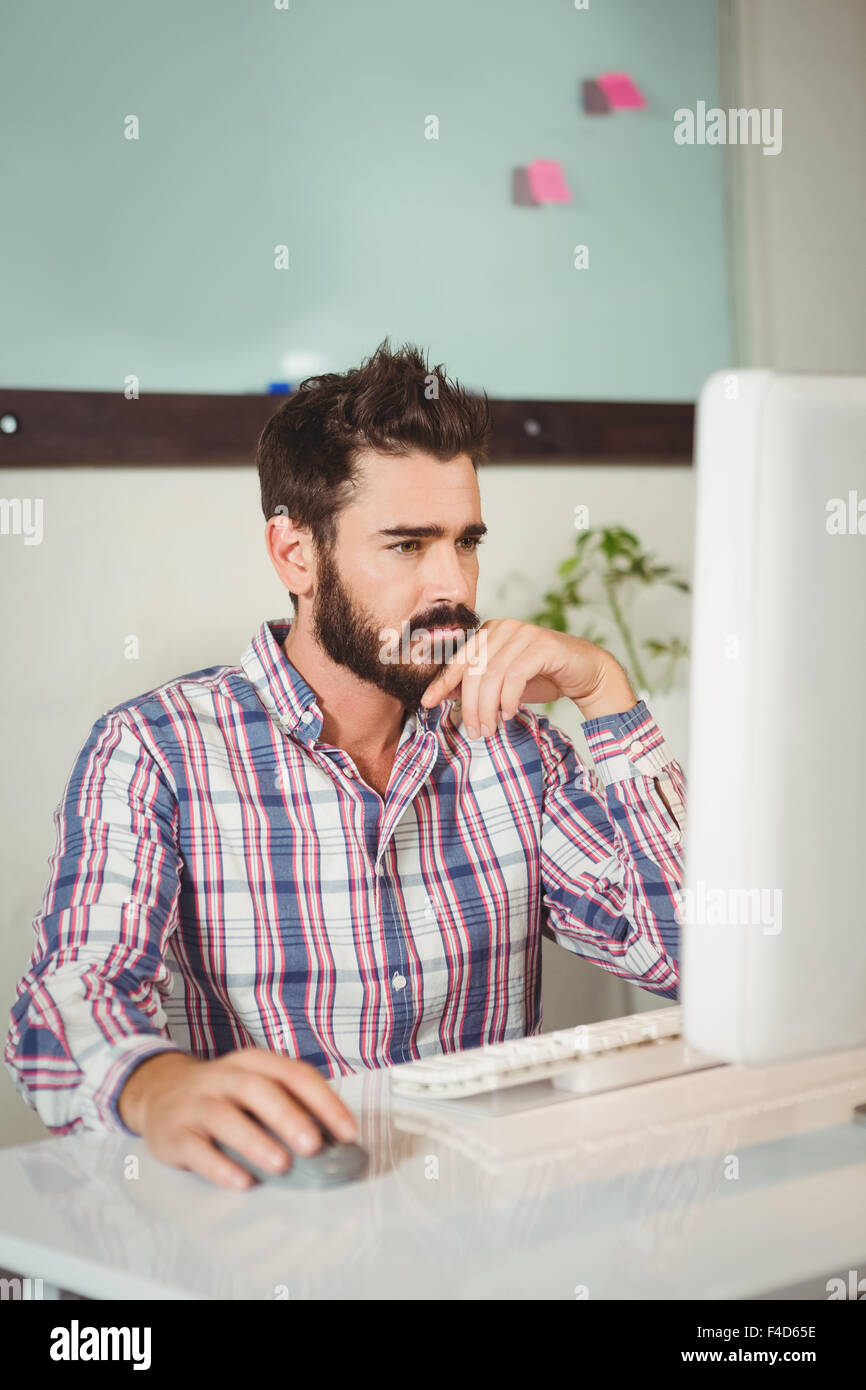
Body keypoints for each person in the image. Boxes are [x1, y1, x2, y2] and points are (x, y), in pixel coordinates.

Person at [5, 340, 685, 1190]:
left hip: (490, 1249)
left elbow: (690, 955)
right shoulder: (157, 750)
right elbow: (66, 1000)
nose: (453, 586)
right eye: (407, 545)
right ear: (296, 554)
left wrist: (607, 694)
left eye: (465, 541)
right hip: (265, 1242)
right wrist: (157, 1087)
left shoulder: (515, 746)